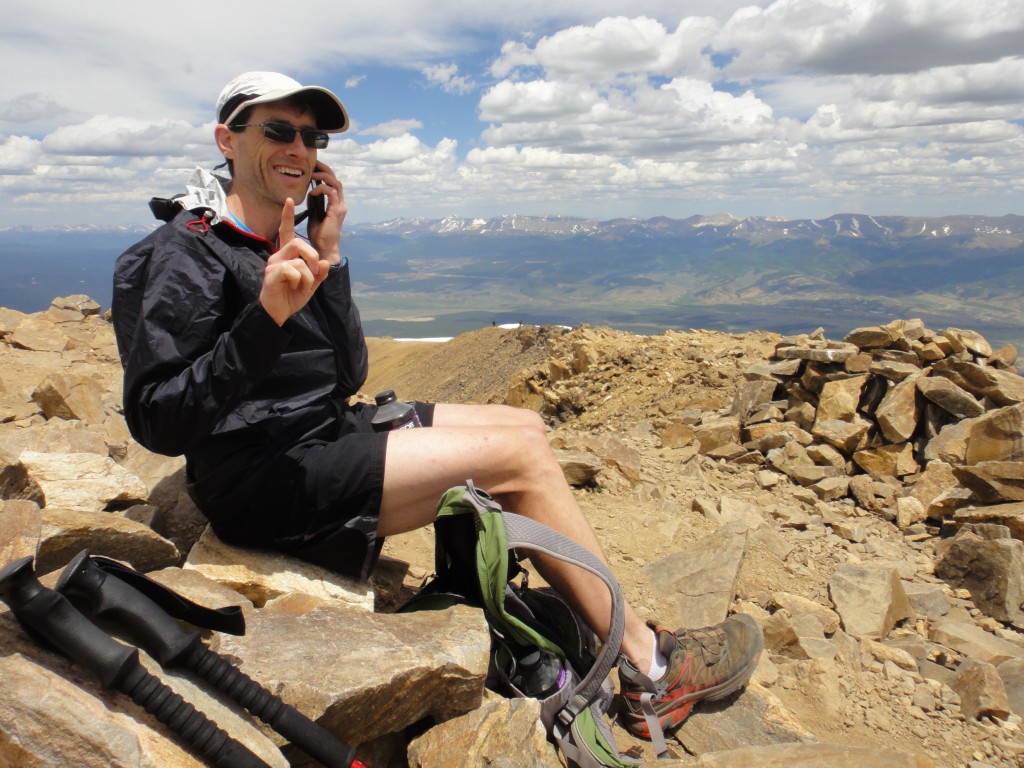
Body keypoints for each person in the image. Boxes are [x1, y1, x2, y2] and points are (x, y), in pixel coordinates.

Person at [112, 71, 764, 746]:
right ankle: (650, 669)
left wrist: (328, 260)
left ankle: (555, 602)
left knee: (526, 429)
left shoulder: (281, 240)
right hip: (261, 480)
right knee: (519, 463)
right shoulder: (183, 253)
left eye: (312, 136)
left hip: (319, 434)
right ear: (227, 138)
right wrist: (267, 315)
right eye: (277, 130)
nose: (299, 149)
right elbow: (159, 419)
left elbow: (347, 375)